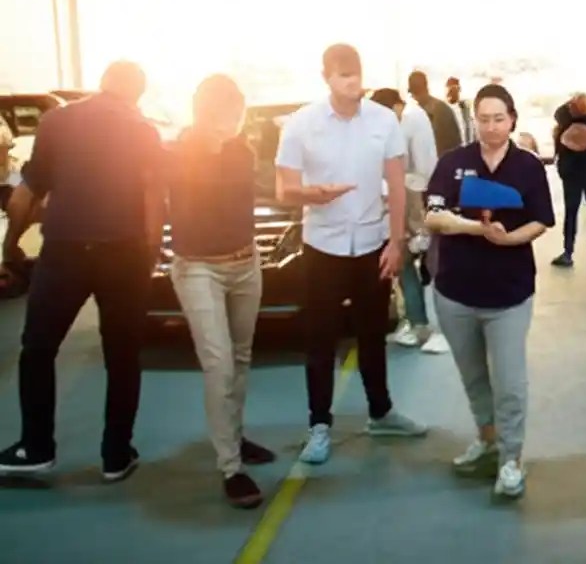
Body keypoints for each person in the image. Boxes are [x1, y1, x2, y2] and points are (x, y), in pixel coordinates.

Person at [0, 61, 165, 481]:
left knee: (38, 348)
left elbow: (24, 194)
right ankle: (116, 455)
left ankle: (36, 448)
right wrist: (148, 255)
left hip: (64, 251)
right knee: (122, 355)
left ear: (101, 84)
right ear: (137, 93)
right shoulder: (143, 130)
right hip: (124, 253)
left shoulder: (57, 121)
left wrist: (10, 243)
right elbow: (153, 197)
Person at [276, 44, 427, 466]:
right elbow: (285, 189)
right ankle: (319, 425)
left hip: (371, 245)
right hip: (322, 247)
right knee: (320, 339)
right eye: (342, 74)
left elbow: (396, 185)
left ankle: (381, 412)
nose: (351, 81)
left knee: (372, 334)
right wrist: (315, 194)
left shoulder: (383, 121)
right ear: (325, 76)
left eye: (355, 72)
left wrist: (395, 243)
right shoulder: (302, 124)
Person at [423, 82, 555, 499]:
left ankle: (511, 459)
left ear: (512, 119)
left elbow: (541, 220)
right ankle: (487, 439)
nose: (492, 127)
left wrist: (509, 239)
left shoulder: (528, 166)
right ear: (474, 121)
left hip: (508, 295)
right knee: (474, 378)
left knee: (510, 382)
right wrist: (478, 229)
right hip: (455, 293)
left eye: (499, 119)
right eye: (484, 119)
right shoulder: (453, 162)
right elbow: (434, 216)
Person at [164, 74, 275, 508]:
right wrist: (208, 146)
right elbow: (184, 198)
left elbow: (260, 190)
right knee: (219, 364)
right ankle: (230, 466)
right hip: (198, 269)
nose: (231, 122)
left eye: (236, 113)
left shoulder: (241, 152)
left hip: (245, 264)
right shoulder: (179, 153)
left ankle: (235, 436)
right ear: (203, 113)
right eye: (223, 114)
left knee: (241, 358)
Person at [368, 88, 449, 354]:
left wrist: (420, 216)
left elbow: (425, 168)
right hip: (399, 199)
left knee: (434, 265)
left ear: (397, 105)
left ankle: (442, 330)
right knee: (403, 264)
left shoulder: (414, 118)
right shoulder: (392, 123)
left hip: (419, 197)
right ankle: (418, 324)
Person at [551, 92, 586, 267]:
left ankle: (568, 252)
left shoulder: (567, 122)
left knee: (572, 213)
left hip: (575, 174)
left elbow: (559, 116)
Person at [408, 71, 463, 156]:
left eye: (416, 93)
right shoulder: (415, 111)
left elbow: (454, 144)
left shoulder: (440, 110)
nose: (414, 97)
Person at [445, 77, 475, 146]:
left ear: (459, 90)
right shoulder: (444, 109)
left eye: (455, 89)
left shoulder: (465, 108)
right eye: (450, 89)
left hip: (464, 146)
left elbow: (470, 128)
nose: (452, 92)